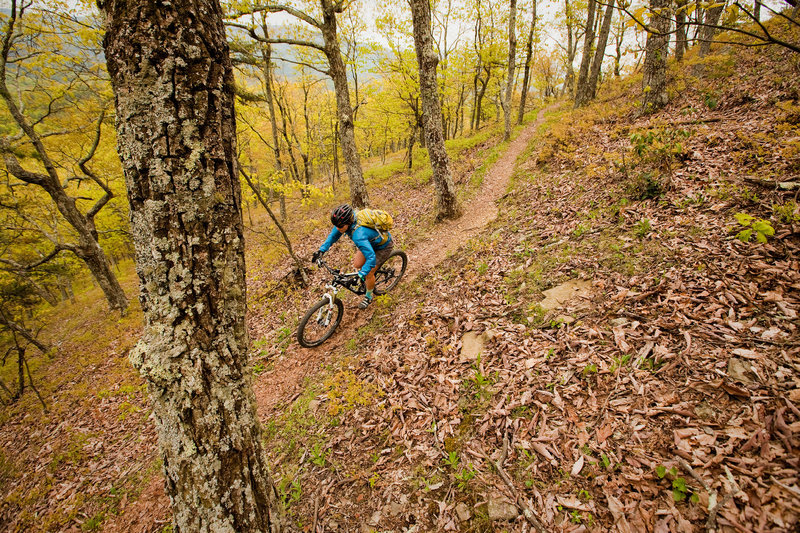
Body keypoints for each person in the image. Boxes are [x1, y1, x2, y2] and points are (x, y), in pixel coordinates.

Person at [311, 204, 394, 309]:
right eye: (336, 225)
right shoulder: (345, 222)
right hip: (368, 243)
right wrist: (321, 251)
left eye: (340, 226)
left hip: (383, 247)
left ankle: (368, 296)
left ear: (348, 222)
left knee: (368, 273)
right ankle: (368, 280)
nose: (337, 228)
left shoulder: (358, 234)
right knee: (357, 264)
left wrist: (362, 274)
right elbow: (333, 235)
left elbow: (371, 257)